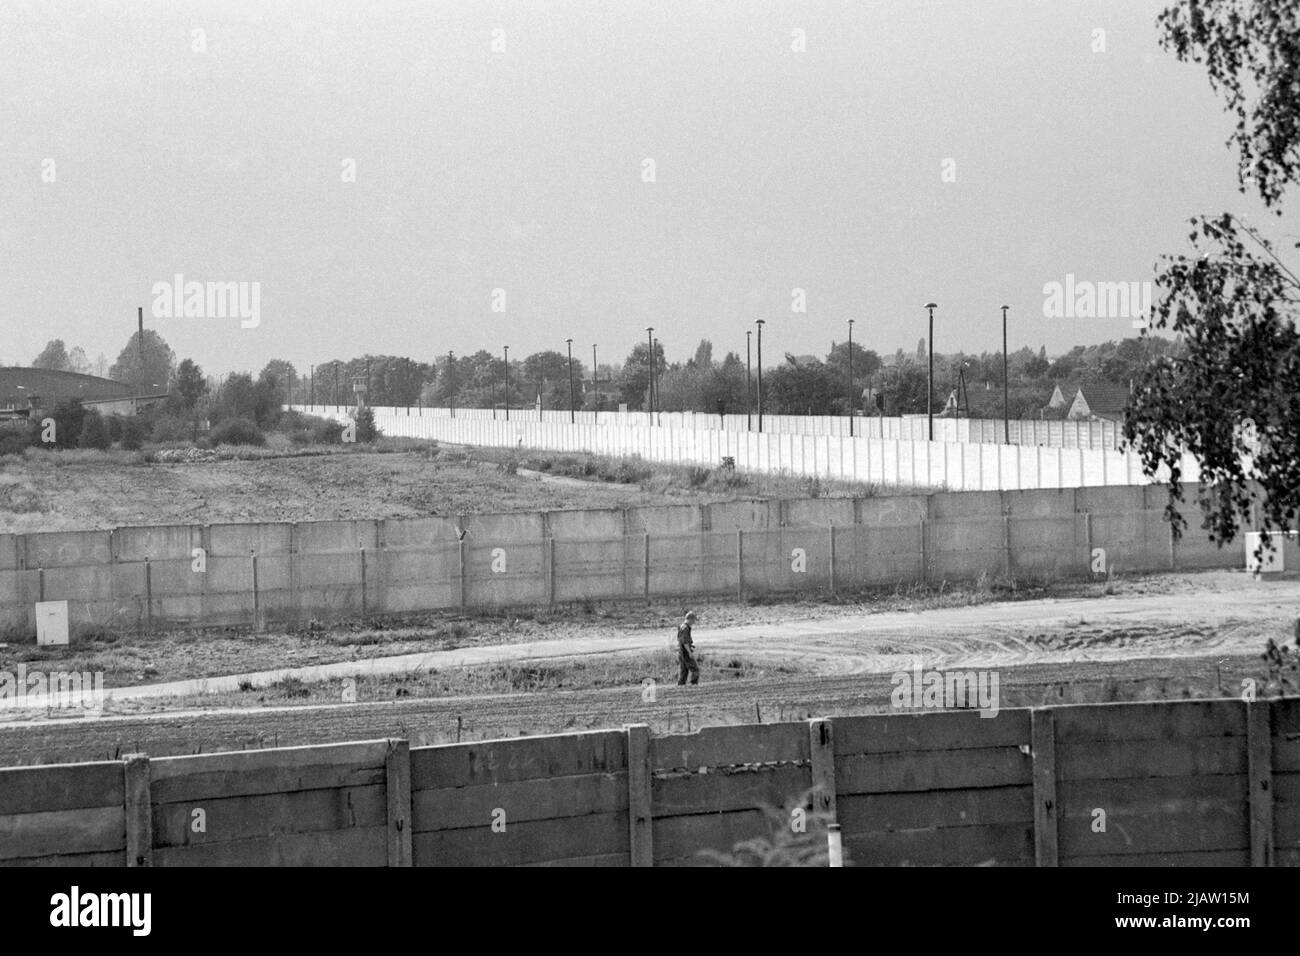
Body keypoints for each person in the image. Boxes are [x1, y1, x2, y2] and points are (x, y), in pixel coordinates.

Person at [677, 611, 700, 685]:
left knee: (684, 671)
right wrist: (690, 652)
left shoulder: (682, 626)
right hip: (686, 652)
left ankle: (681, 686)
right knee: (695, 669)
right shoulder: (686, 628)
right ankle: (694, 685)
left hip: (681, 652)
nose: (694, 622)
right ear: (690, 619)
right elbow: (685, 642)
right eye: (693, 620)